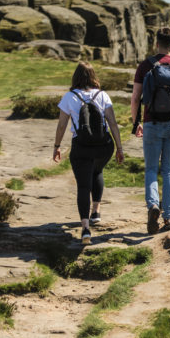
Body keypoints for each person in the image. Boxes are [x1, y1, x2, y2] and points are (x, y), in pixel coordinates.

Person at [131, 27, 170, 234]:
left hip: (151, 123)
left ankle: (153, 206)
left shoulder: (145, 66)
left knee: (150, 169)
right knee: (168, 169)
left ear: (156, 43)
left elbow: (135, 98)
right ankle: (168, 217)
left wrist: (136, 123)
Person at [53, 61, 124, 244]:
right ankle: (96, 212)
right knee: (97, 171)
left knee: (83, 185)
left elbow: (62, 125)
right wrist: (119, 148)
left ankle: (85, 229)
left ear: (75, 77)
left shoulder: (70, 97)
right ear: (94, 77)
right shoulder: (102, 95)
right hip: (104, 146)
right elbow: (113, 123)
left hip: (82, 146)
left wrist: (57, 146)